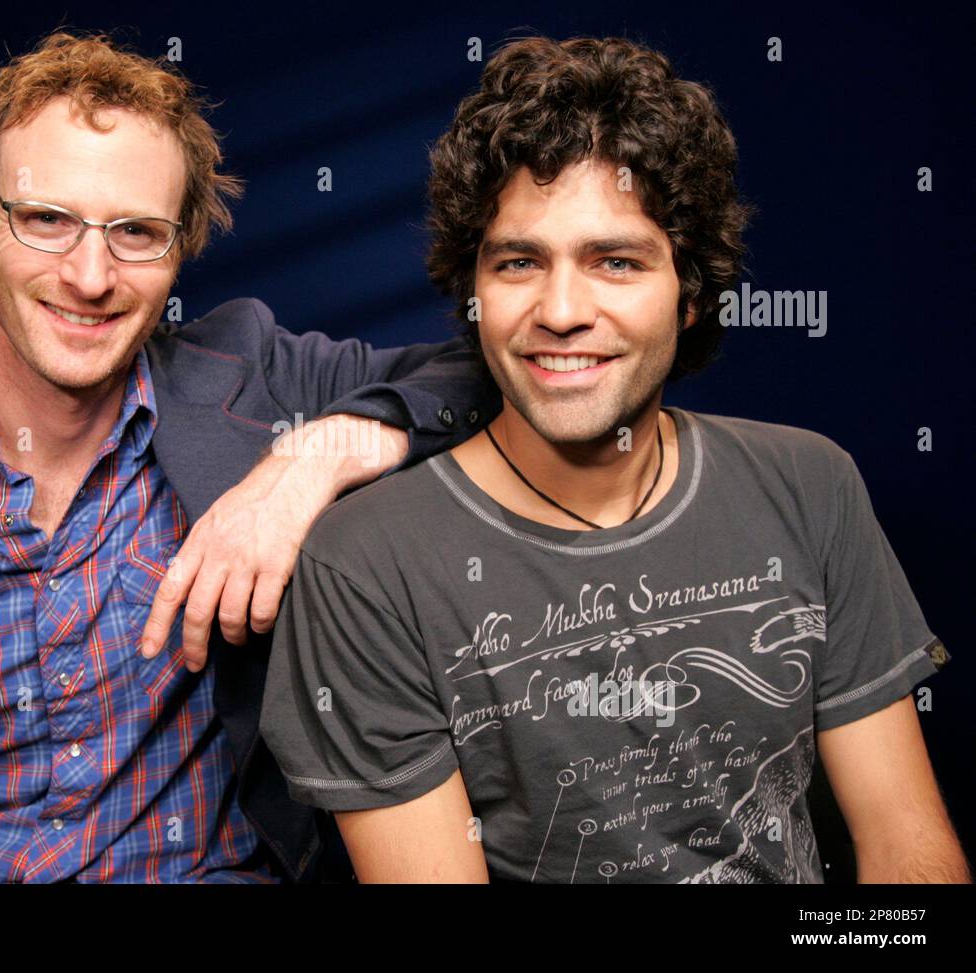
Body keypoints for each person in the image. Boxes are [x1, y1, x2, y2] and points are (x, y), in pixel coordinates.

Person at [0, 31, 496, 883]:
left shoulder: (256, 375)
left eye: (137, 232)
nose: (91, 275)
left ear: (181, 249)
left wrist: (314, 457)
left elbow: (497, 373)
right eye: (46, 220)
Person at [259, 35, 969, 883]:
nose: (562, 310)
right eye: (520, 262)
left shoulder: (809, 483)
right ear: (474, 290)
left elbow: (905, 844)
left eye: (617, 262)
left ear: (692, 291)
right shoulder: (366, 564)